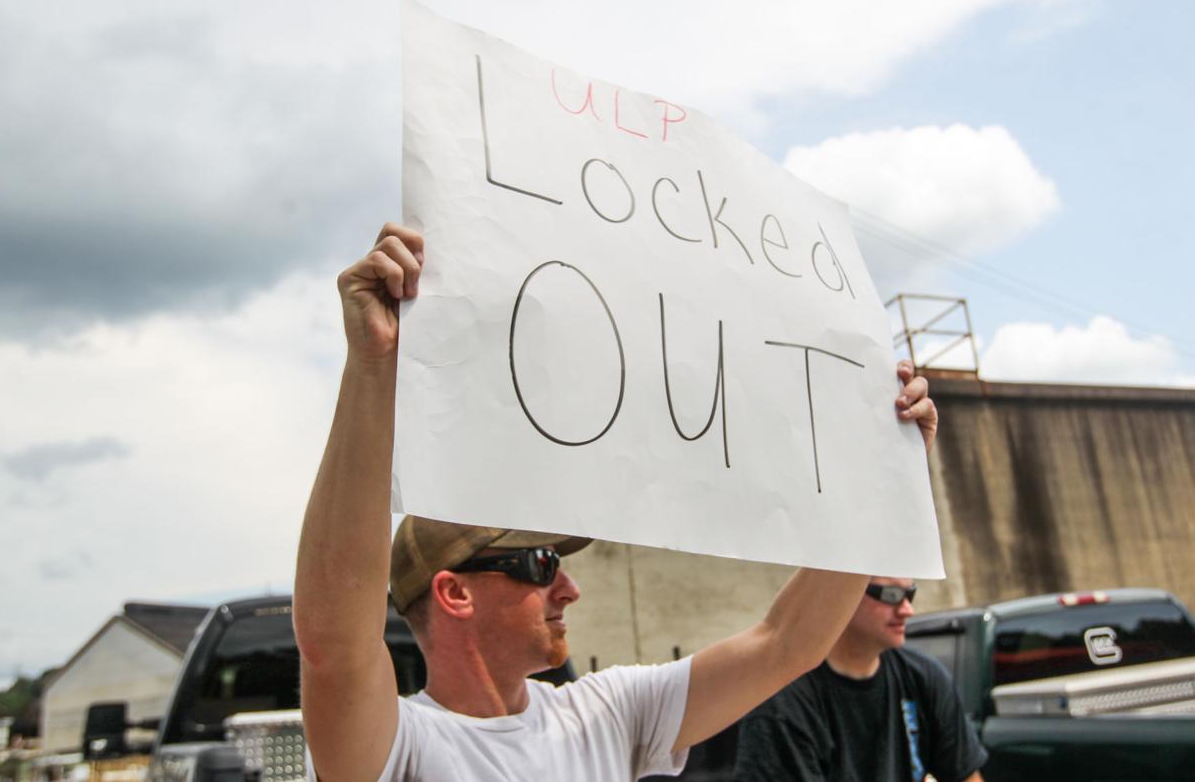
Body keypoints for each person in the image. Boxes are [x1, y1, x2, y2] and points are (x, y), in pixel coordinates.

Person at [292, 223, 940, 781]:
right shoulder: (400, 747)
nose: (569, 589)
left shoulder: (605, 712)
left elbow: (786, 643)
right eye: (541, 565)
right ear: (454, 593)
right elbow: (335, 647)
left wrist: (882, 477)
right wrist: (373, 365)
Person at [733, 577, 987, 782]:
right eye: (890, 595)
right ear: (841, 595)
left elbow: (966, 775)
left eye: (910, 594)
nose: (907, 610)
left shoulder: (923, 677)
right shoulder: (786, 698)